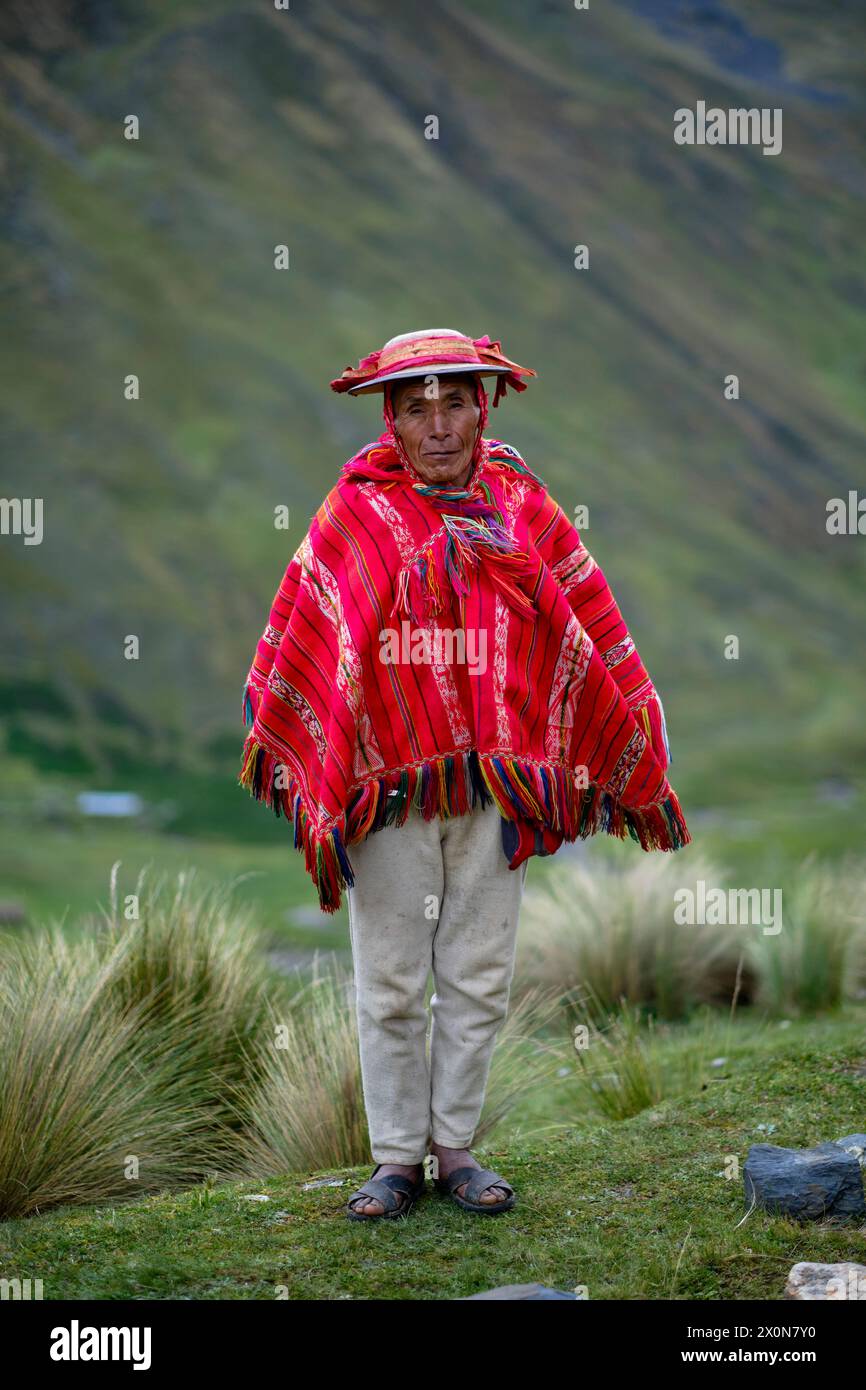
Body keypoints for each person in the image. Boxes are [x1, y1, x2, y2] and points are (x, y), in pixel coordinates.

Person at [239, 328, 690, 1220]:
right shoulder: (357, 514)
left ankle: (457, 1151)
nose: (439, 425)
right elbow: (310, 640)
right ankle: (395, 1160)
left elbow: (580, 623)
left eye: (455, 403)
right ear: (392, 420)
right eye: (418, 408)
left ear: (482, 409)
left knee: (480, 972)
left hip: (498, 784)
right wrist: (330, 749)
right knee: (395, 979)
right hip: (390, 785)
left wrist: (608, 727)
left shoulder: (522, 504)